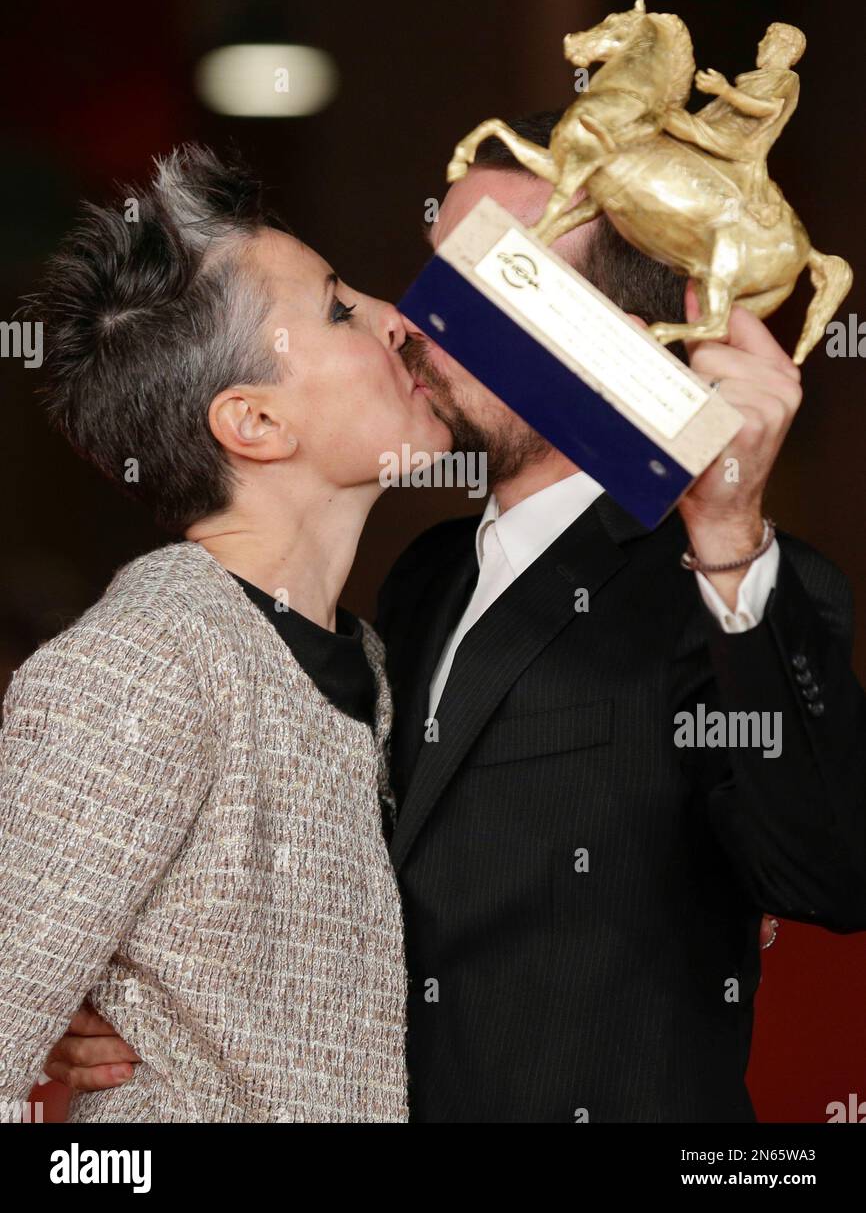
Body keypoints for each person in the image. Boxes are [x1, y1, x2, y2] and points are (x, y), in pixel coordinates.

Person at [43, 115, 866, 1123]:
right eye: (431, 274)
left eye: (486, 288)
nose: (413, 320)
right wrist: (160, 1007)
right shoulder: (412, 588)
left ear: (619, 340)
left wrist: (730, 534)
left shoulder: (729, 585)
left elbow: (828, 869)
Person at [0, 144, 454, 1122]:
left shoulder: (372, 662)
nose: (397, 321)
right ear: (252, 421)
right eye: (338, 308)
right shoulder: (139, 666)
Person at [663, 23, 804, 227]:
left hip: (734, 139)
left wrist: (724, 90)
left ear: (785, 46)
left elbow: (767, 108)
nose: (761, 44)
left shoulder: (786, 79)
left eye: (768, 39)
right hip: (718, 129)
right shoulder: (758, 79)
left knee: (662, 115)